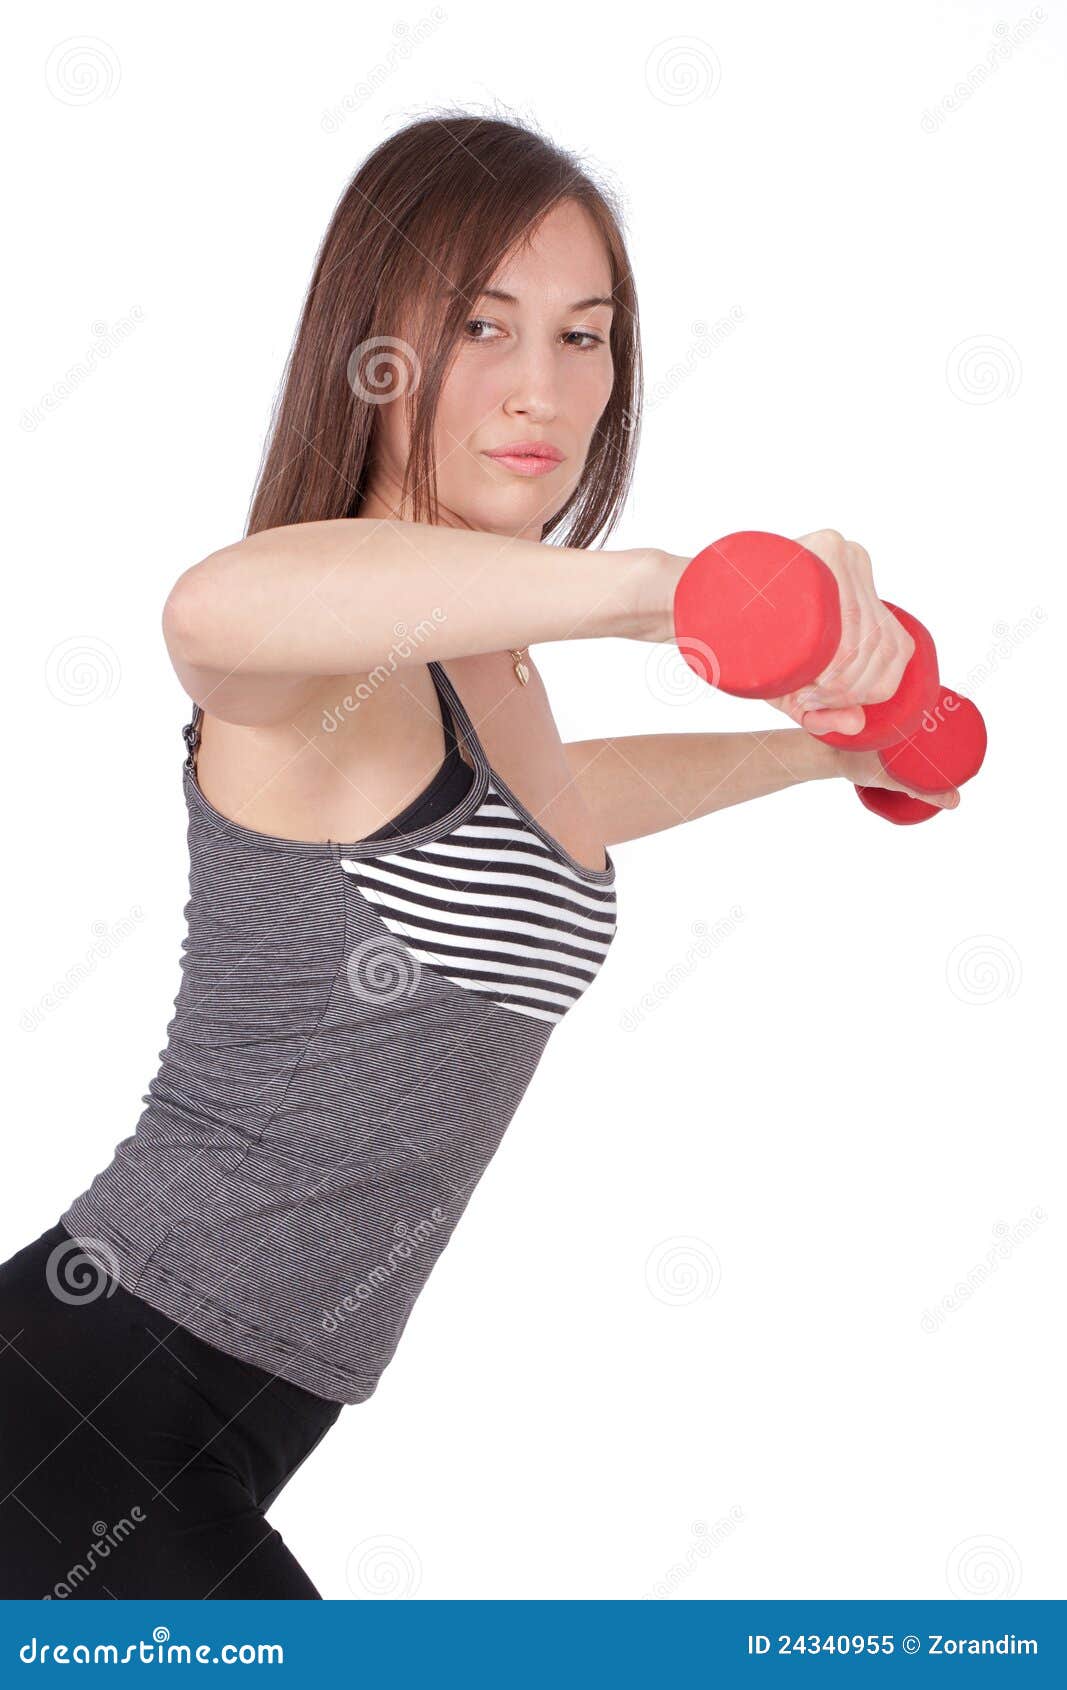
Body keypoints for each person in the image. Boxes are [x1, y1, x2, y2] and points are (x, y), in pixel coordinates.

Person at [0, 111, 957, 1602]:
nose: (542, 387)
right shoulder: (331, 648)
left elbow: (562, 807)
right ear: (369, 348)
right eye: (480, 326)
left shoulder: (479, 663)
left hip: (201, 1430)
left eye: (586, 337)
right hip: (80, 1408)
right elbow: (207, 613)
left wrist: (839, 753)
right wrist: (663, 592)